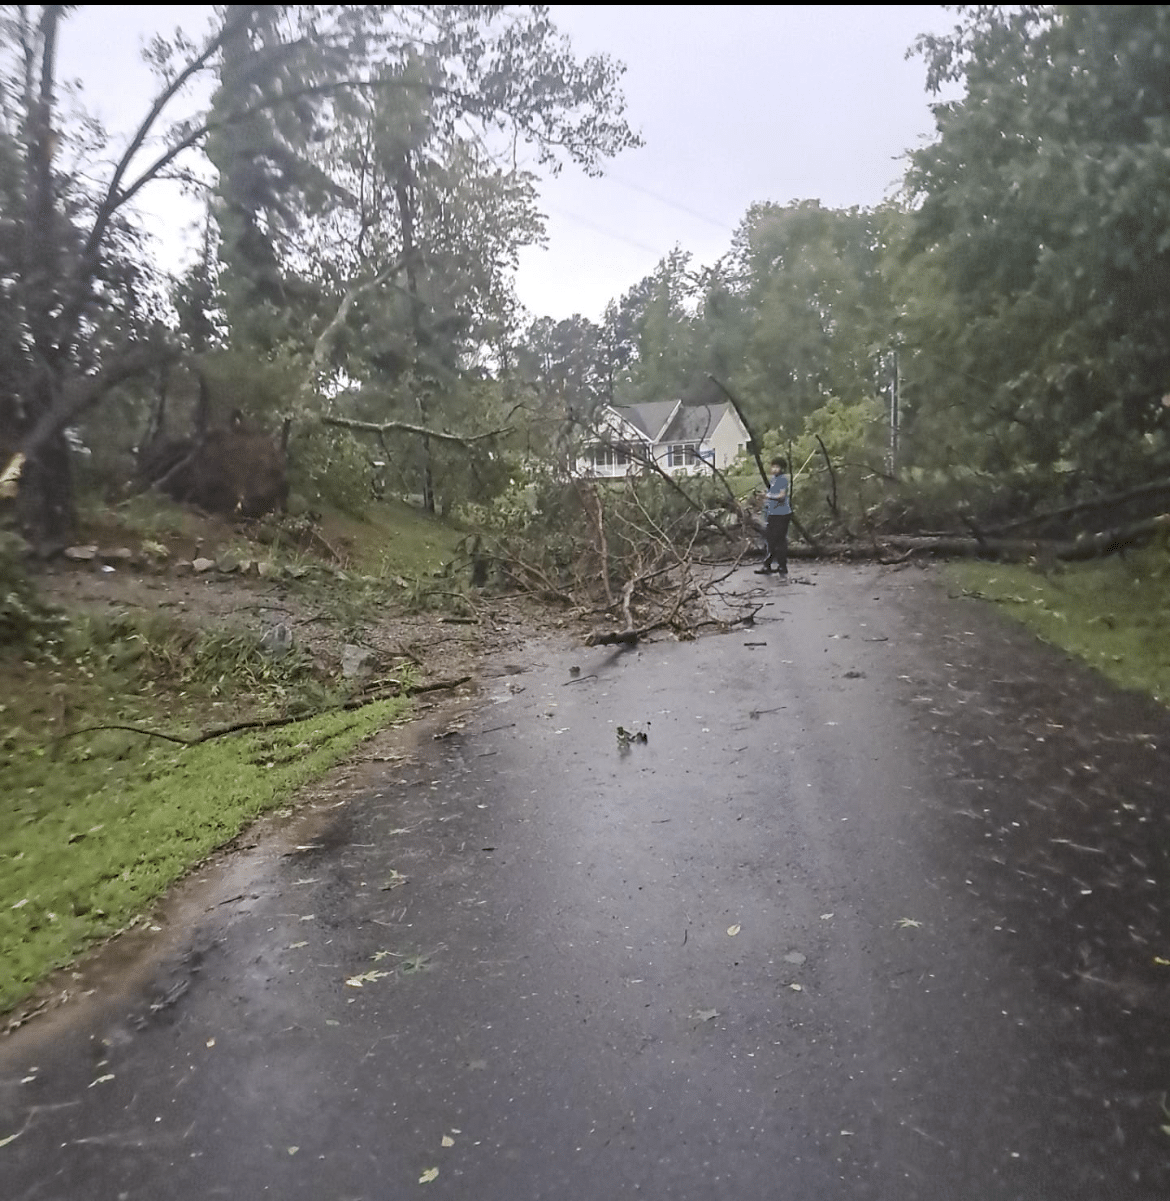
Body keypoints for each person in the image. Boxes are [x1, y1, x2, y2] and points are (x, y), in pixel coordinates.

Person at [755, 457, 791, 577]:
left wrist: (768, 496)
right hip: (772, 514)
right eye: (773, 466)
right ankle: (767, 565)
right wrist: (764, 497)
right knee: (770, 540)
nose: (774, 469)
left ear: (782, 468)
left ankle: (782, 566)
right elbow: (771, 494)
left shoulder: (783, 479)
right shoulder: (773, 479)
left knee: (780, 541)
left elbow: (781, 496)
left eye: (777, 467)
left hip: (782, 514)